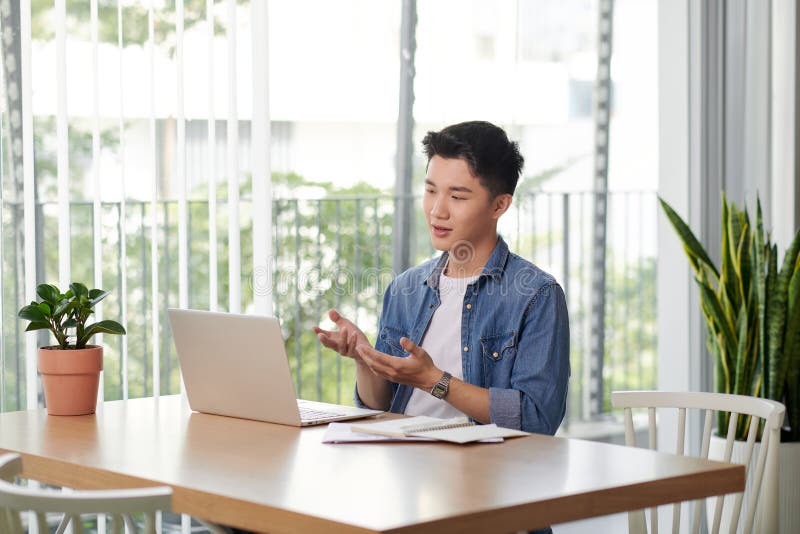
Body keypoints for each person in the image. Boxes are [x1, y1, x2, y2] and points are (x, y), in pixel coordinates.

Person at [314, 120, 570, 437]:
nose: (437, 211)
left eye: (458, 197)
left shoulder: (536, 295)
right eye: (430, 190)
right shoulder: (405, 289)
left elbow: (536, 418)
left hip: (485, 473)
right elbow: (379, 406)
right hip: (403, 463)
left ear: (499, 204)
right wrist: (365, 360)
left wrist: (434, 380)